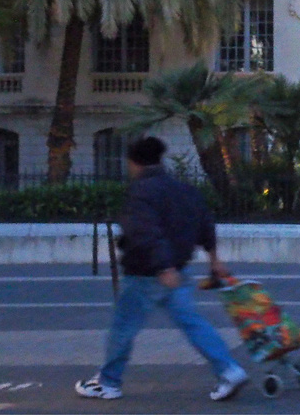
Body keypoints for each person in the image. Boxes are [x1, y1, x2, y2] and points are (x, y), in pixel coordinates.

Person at [75, 137, 248, 402]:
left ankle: (108, 383)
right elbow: (205, 223)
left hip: (147, 272)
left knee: (123, 327)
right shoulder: (183, 190)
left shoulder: (141, 192)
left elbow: (145, 232)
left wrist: (162, 265)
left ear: (134, 163)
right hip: (178, 271)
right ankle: (229, 369)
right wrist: (214, 259)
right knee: (193, 323)